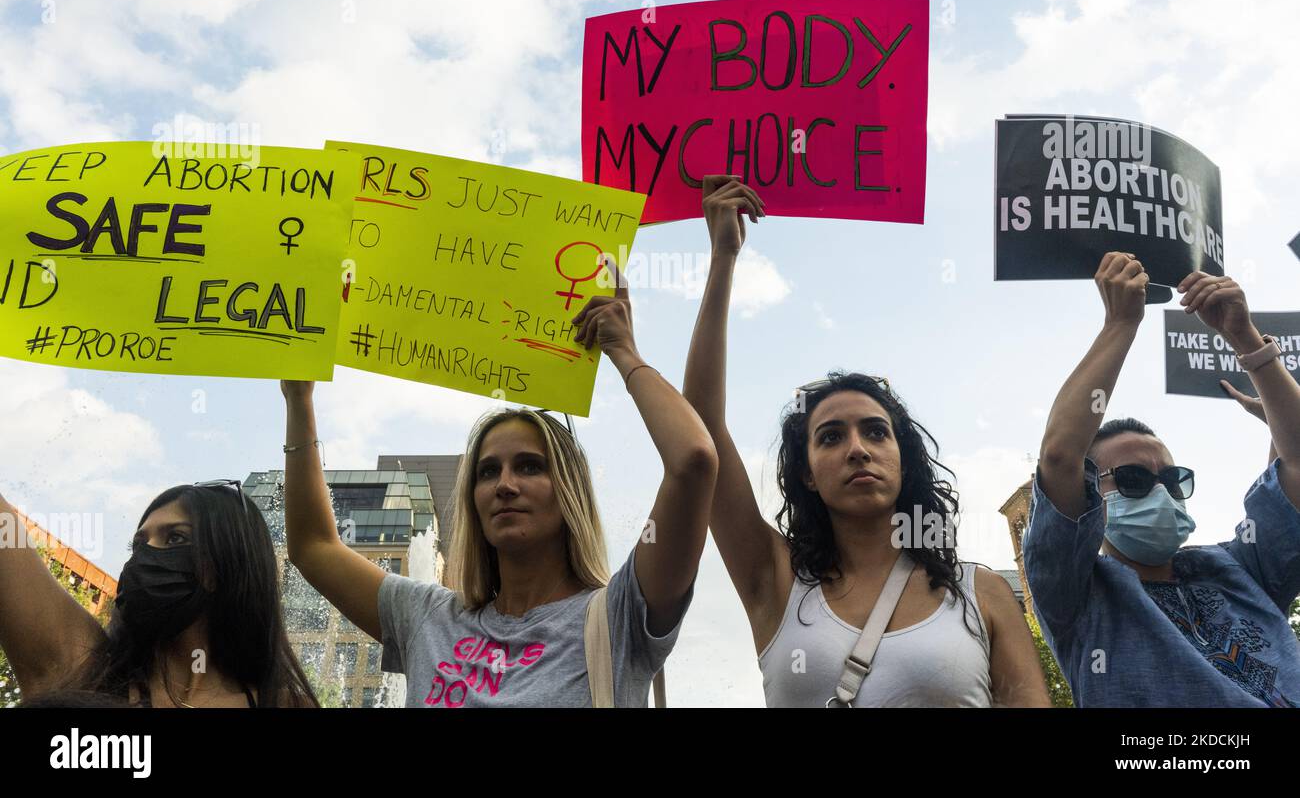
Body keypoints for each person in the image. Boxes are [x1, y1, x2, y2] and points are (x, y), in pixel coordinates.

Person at [682, 175, 1048, 707]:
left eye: (876, 431)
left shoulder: (983, 593)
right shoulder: (776, 580)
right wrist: (722, 260)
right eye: (830, 437)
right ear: (806, 471)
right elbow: (701, 430)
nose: (857, 448)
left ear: (903, 457)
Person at [280, 262, 718, 707]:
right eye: (487, 472)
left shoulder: (618, 618)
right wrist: (300, 399)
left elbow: (694, 460)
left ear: (571, 493)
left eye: (530, 467)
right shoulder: (427, 618)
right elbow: (313, 547)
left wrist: (625, 354)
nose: (504, 485)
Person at [1026, 251, 1300, 707]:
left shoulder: (1240, 570)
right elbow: (1059, 456)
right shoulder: (1076, 596)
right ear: (1093, 492)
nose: (1160, 492)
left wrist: (1245, 338)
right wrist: (1120, 324)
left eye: (1172, 480)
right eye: (1132, 478)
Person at [0, 480, 318, 707]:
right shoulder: (85, 668)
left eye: (175, 539)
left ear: (228, 562)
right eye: (138, 545)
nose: (144, 555)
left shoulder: (285, 704)